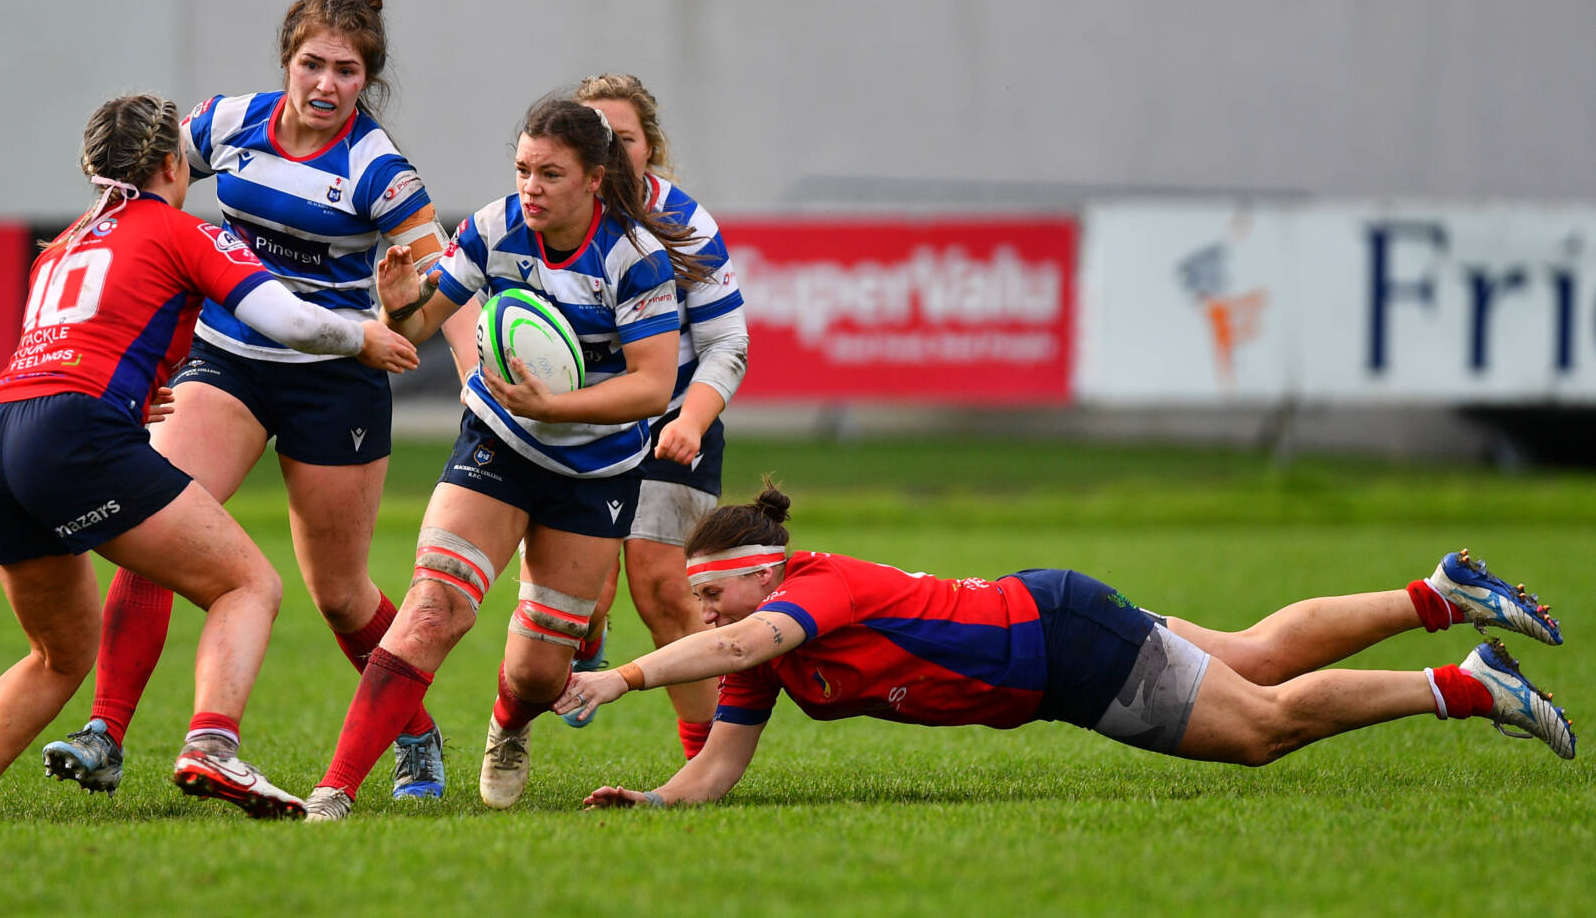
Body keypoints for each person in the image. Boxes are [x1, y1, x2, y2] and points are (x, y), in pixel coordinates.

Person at [0, 94, 420, 827]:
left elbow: (71, 347)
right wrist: (363, 337)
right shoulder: (184, 231)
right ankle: (212, 744)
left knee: (58, 654)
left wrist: (122, 396)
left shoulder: (59, 247)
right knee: (248, 585)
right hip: (75, 434)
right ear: (172, 165)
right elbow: (288, 320)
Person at [42, 0, 456, 802]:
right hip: (227, 359)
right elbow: (135, 193)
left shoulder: (381, 171)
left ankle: (414, 732)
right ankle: (105, 733)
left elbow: (436, 294)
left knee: (339, 595)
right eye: (312, 64)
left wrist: (401, 308)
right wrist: (84, 252)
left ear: (367, 79)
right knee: (157, 527)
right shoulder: (227, 123)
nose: (326, 85)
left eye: (346, 71)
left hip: (335, 380)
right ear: (287, 61)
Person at [560, 481, 1574, 808]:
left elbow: (737, 646)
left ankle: (1469, 685)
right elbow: (718, 766)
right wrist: (650, 800)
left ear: (764, 571)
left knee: (1261, 726)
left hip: (1062, 648)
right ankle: (1439, 596)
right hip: (1055, 628)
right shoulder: (763, 653)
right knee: (1257, 656)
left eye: (714, 592)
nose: (705, 613)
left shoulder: (811, 588)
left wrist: (620, 677)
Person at [301, 94, 709, 820]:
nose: (530, 188)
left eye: (550, 174)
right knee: (433, 607)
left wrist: (557, 407)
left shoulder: (635, 260)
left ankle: (510, 722)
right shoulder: (494, 227)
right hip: (500, 442)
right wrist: (396, 304)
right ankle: (335, 789)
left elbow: (652, 386)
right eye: (523, 169)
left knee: (540, 672)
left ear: (594, 179)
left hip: (596, 471)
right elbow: (418, 324)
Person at [442, 73, 748, 759]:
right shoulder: (536, 214)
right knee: (585, 599)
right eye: (599, 136)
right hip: (567, 430)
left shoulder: (683, 225)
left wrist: (692, 420)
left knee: (665, 588)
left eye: (624, 138)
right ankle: (541, 681)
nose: (611, 149)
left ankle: (704, 762)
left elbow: (728, 341)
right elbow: (464, 295)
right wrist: (476, 372)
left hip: (672, 418)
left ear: (645, 150)